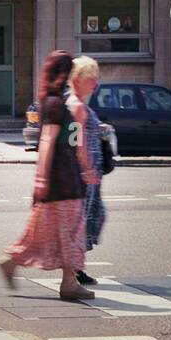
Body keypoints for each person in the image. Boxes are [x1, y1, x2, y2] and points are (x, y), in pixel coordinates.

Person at [0, 51, 99, 302]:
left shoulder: (53, 102)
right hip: (65, 181)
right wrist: (46, 178)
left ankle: (16, 264)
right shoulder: (61, 105)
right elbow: (52, 141)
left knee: (46, 232)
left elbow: (73, 141)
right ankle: (68, 283)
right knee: (71, 232)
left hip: (59, 181)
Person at [66, 56, 106, 287]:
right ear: (78, 79)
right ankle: (74, 271)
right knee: (83, 222)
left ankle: (75, 268)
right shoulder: (77, 106)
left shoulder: (79, 104)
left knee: (91, 219)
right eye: (91, 79)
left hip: (89, 174)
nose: (95, 84)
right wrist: (86, 169)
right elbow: (76, 140)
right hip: (85, 175)